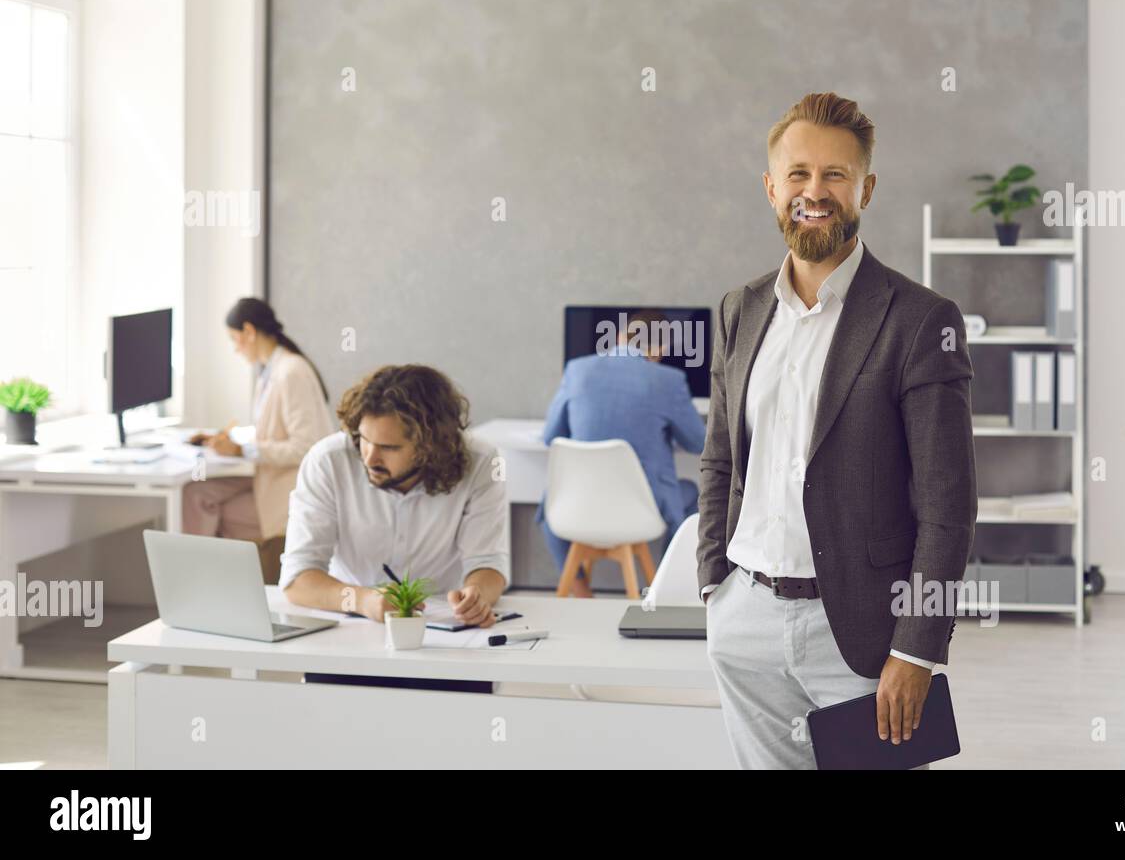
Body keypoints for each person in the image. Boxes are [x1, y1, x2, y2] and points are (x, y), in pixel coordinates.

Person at [698, 92, 977, 769]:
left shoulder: (919, 320)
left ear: (865, 188)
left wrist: (916, 647)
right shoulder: (740, 308)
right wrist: (715, 586)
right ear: (772, 188)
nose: (813, 191)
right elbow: (720, 461)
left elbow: (948, 505)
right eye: (797, 174)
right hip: (746, 622)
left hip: (862, 633)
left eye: (834, 175)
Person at [279, 364, 509, 629]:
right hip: (348, 622)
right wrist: (363, 601)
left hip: (442, 627)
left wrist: (477, 595)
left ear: (429, 447)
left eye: (389, 447)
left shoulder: (480, 462)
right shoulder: (328, 460)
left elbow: (487, 563)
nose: (369, 457)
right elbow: (297, 579)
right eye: (364, 439)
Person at [537, 310, 706, 597]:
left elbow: (550, 436)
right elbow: (697, 443)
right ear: (660, 348)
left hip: (576, 507)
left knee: (547, 504)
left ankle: (579, 588)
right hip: (641, 510)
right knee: (693, 495)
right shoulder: (668, 380)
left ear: (618, 337)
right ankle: (664, 587)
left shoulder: (577, 369)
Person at [181, 297, 335, 549]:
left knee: (207, 506)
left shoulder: (291, 372)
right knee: (196, 492)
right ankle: (197, 572)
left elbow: (306, 447)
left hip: (290, 486)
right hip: (270, 473)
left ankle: (198, 573)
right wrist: (229, 441)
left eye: (234, 339)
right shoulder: (270, 372)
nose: (235, 349)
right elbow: (274, 430)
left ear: (249, 332)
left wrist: (243, 450)